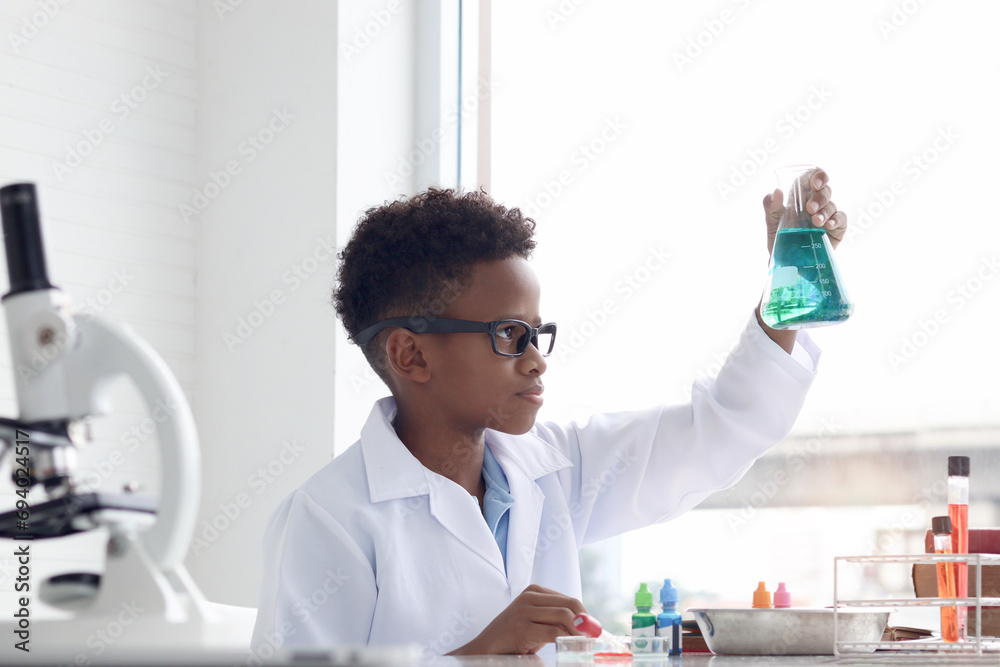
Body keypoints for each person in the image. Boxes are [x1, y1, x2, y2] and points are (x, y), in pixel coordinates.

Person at [251, 171, 847, 656]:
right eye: (510, 334)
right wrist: (481, 655)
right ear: (411, 353)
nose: (536, 361)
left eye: (538, 334)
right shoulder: (329, 519)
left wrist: (787, 283)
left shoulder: (554, 471)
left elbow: (717, 431)